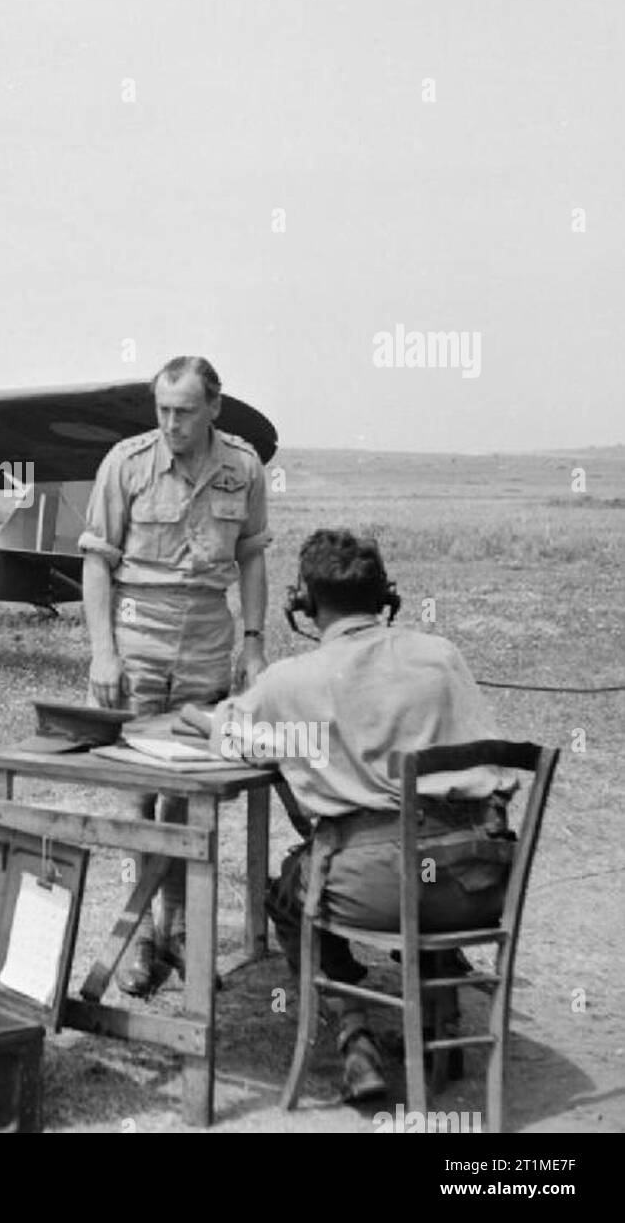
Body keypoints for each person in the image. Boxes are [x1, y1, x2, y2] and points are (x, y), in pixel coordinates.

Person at [193, 529, 519, 1101]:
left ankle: (354, 1034)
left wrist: (199, 718)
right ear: (385, 595)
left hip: (382, 883)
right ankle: (436, 1027)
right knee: (428, 863)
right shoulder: (442, 658)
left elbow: (230, 730)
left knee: (288, 897)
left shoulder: (291, 681)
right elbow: (498, 769)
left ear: (305, 604)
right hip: (478, 879)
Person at [78, 355, 271, 996]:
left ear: (215, 406)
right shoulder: (126, 463)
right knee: (136, 797)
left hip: (206, 649)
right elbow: (98, 562)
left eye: (184, 411)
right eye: (162, 409)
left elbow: (250, 557)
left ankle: (182, 937)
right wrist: (103, 653)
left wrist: (253, 644)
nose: (170, 423)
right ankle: (140, 943)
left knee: (190, 799)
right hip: (137, 644)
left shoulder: (243, 467)